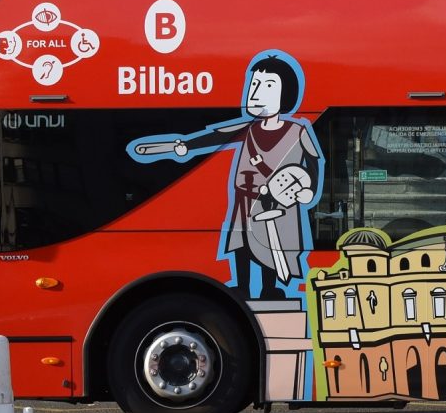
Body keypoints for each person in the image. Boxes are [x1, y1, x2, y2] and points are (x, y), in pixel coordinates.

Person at [127, 51, 322, 302]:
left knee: (274, 246)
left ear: (286, 94)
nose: (257, 92)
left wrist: (308, 189)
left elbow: (314, 163)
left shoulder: (298, 131)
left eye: (268, 86)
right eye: (254, 84)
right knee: (242, 243)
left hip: (277, 203)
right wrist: (186, 146)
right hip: (245, 199)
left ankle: (270, 288)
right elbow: (217, 136)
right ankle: (242, 286)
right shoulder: (247, 128)